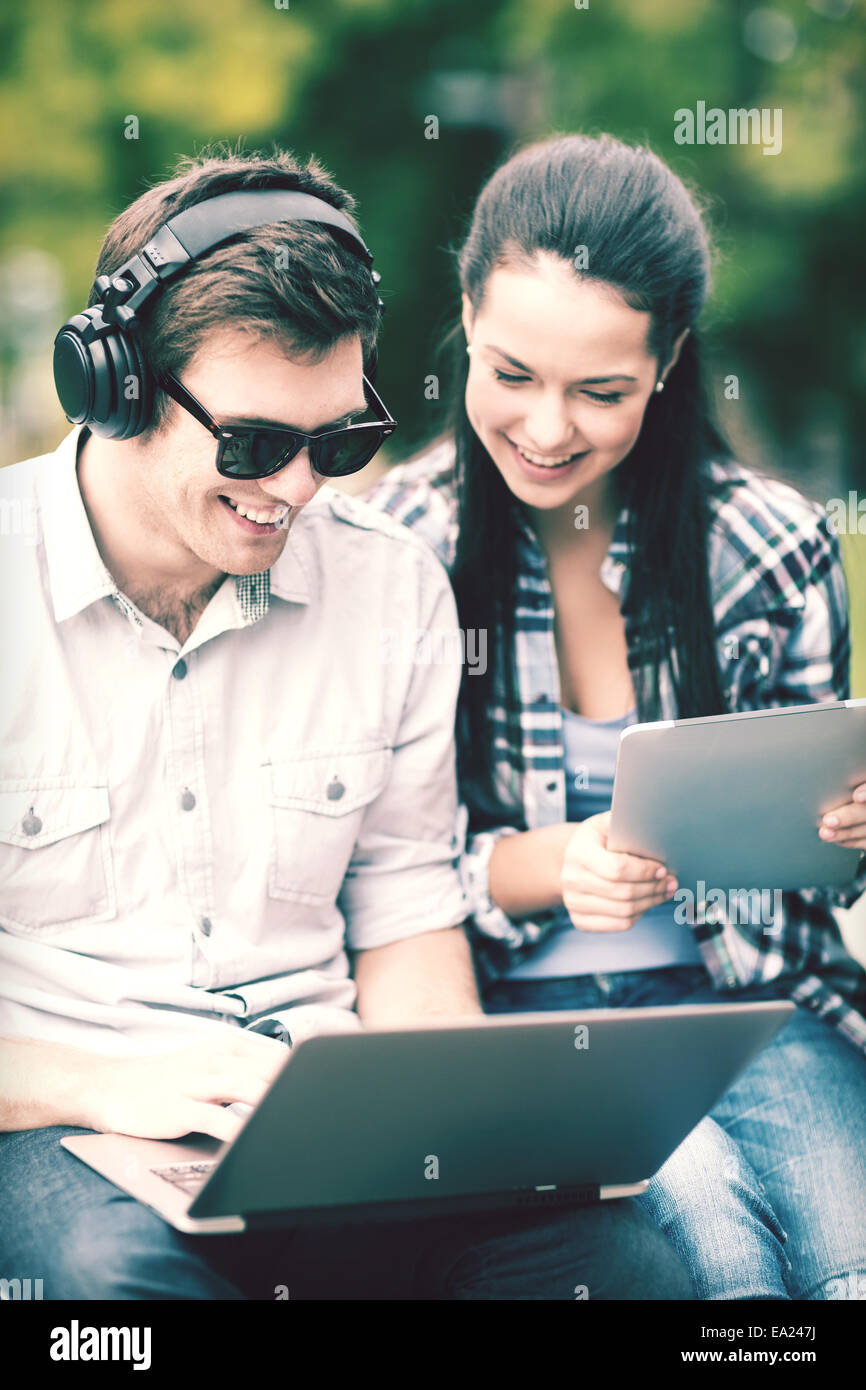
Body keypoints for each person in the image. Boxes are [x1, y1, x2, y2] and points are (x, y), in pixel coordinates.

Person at [0, 146, 694, 1301]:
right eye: (254, 445)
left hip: (333, 1128)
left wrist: (454, 1119)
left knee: (622, 1269)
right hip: (72, 1133)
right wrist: (94, 1086)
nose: (297, 492)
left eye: (339, 444)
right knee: (106, 1292)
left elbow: (405, 916)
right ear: (114, 386)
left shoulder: (390, 590)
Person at [364, 133, 866, 1301]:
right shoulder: (397, 548)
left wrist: (846, 830)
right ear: (464, 314)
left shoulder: (767, 547)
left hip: (756, 1001)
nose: (546, 430)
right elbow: (371, 876)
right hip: (529, 1018)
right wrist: (553, 865)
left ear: (669, 360)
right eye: (511, 375)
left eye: (599, 392)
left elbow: (825, 883)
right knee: (715, 1269)